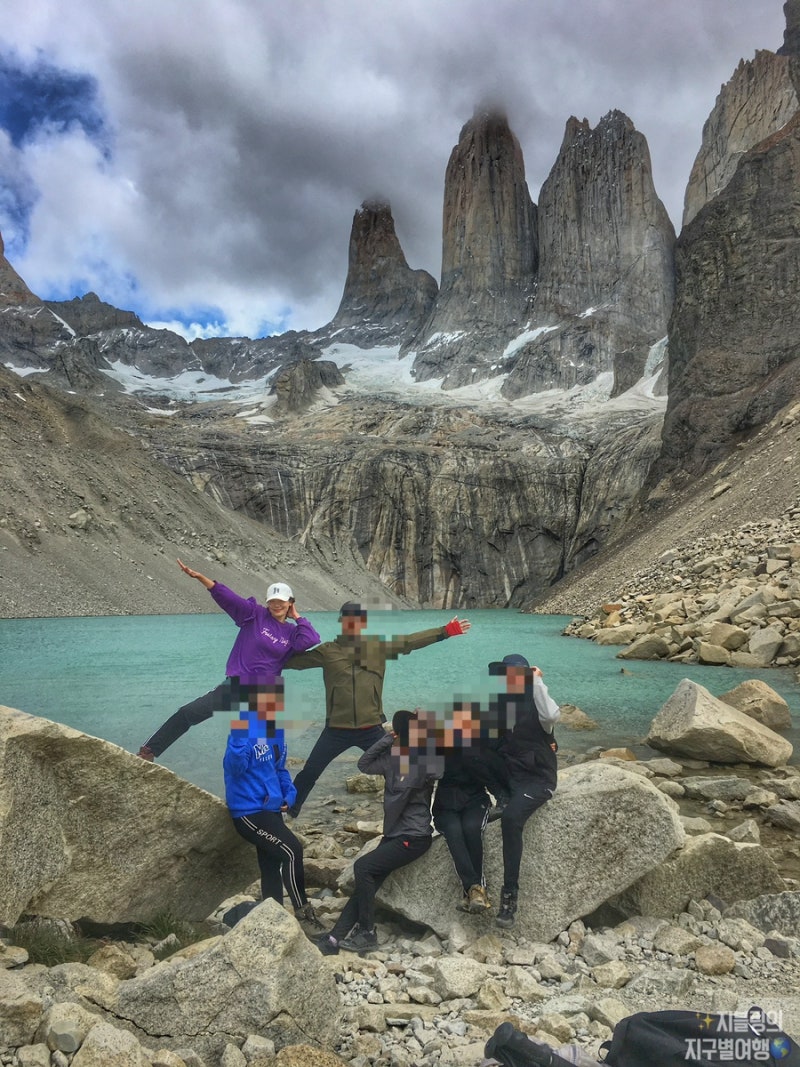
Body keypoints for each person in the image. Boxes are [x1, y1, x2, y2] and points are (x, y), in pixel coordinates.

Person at [282, 602, 470, 816]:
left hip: (371, 729)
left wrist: (445, 631)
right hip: (336, 729)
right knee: (310, 772)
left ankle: (414, 812)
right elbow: (291, 662)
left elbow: (410, 641)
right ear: (342, 622)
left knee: (403, 769)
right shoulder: (328, 651)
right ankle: (289, 809)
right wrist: (254, 661)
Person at [137, 559, 320, 760]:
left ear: (290, 603)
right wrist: (203, 579)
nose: (277, 605)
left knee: (267, 745)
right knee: (189, 712)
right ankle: (149, 751)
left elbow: (310, 640)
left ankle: (272, 786)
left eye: (282, 601)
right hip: (237, 685)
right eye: (273, 601)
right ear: (267, 602)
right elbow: (228, 598)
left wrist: (298, 617)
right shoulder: (254, 614)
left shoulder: (292, 633)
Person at [316, 709, 439, 955]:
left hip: (413, 838)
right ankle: (334, 939)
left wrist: (398, 737)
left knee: (363, 868)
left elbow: (437, 768)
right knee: (366, 881)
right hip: (396, 835)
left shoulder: (415, 759)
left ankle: (367, 933)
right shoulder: (400, 758)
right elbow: (364, 764)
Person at [222, 682, 322, 932]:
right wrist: (238, 738)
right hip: (248, 813)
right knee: (292, 850)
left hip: (272, 809)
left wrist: (289, 792)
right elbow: (234, 769)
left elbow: (278, 769)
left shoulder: (276, 731)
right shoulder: (243, 729)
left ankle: (274, 916)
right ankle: (303, 914)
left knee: (271, 865)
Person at [487, 653, 560, 929]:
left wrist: (538, 682)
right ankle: (502, 797)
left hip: (537, 779)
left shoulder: (539, 706)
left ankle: (510, 895)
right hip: (512, 777)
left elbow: (553, 715)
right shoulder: (503, 704)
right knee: (473, 750)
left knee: (511, 820)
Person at [432, 701, 493, 913]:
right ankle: (476, 889)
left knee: (471, 829)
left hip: (475, 801)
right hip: (446, 805)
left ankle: (473, 892)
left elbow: (497, 768)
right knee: (454, 832)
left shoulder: (480, 746)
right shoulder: (440, 745)